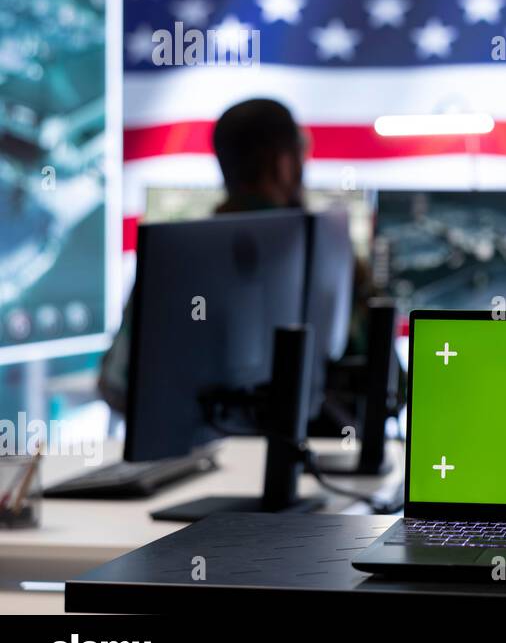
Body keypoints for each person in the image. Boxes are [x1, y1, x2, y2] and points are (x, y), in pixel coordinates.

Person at [98, 98, 354, 412]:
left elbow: (116, 383)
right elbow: (385, 380)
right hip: (308, 451)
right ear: (284, 164)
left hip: (191, 453)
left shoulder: (175, 255)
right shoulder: (328, 249)